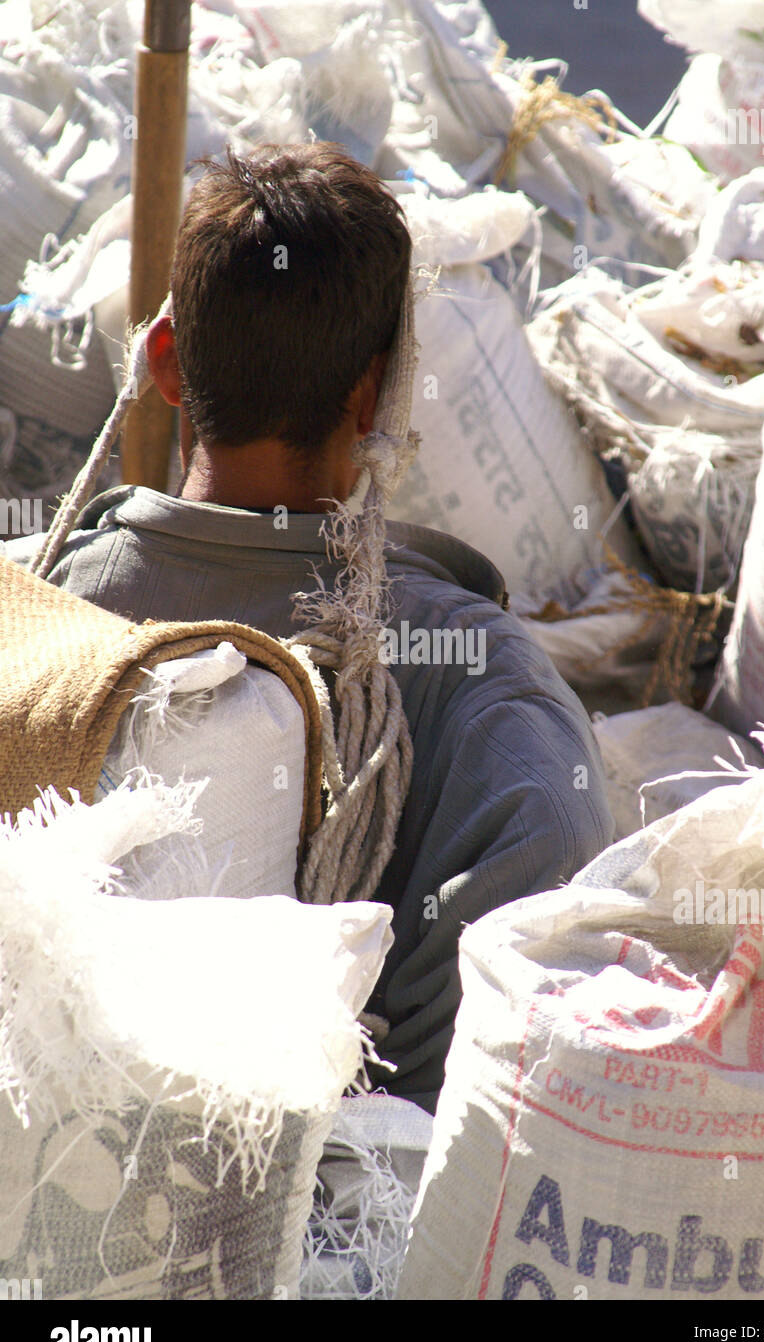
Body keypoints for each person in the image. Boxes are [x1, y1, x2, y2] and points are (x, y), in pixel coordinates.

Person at [7, 144, 613, 1112]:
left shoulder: (39, 611)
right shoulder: (475, 679)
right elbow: (533, 955)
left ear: (165, 361)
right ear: (373, 399)